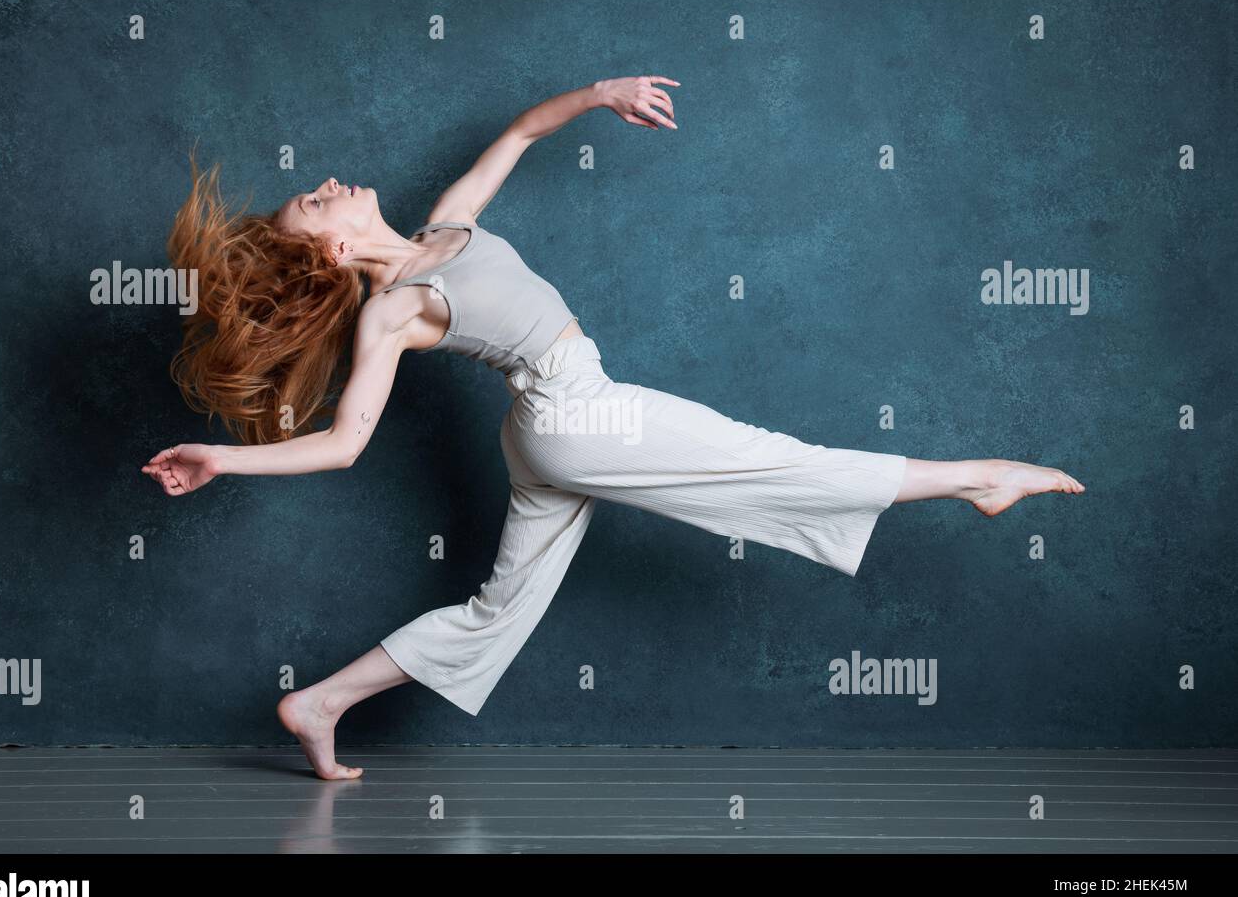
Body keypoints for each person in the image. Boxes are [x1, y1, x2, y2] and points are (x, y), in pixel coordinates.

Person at [143, 76, 1084, 779]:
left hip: (549, 432)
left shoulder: (446, 227)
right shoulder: (391, 308)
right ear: (338, 248)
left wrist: (603, 95)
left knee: (498, 612)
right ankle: (978, 477)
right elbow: (349, 443)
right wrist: (223, 457)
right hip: (579, 414)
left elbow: (516, 131)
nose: (331, 181)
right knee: (770, 461)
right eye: (318, 199)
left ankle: (321, 702)